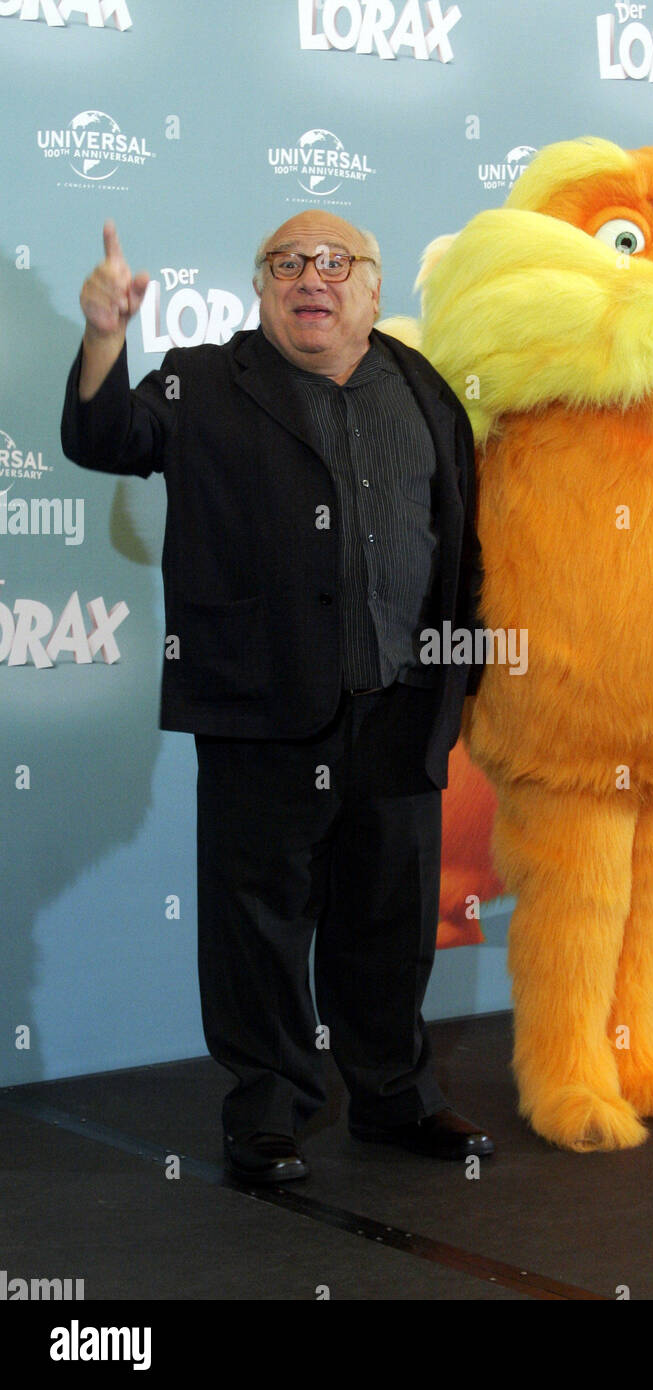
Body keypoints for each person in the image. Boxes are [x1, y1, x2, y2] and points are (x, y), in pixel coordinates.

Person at [61, 214, 493, 1183]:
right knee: (258, 925)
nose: (314, 278)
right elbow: (103, 437)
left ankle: (395, 1097)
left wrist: (461, 676)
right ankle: (268, 1107)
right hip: (262, 708)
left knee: (389, 919)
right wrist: (102, 337)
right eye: (288, 263)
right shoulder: (203, 379)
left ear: (374, 290)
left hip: (400, 704)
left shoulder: (424, 390)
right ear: (261, 288)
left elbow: (460, 548)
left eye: (337, 263)